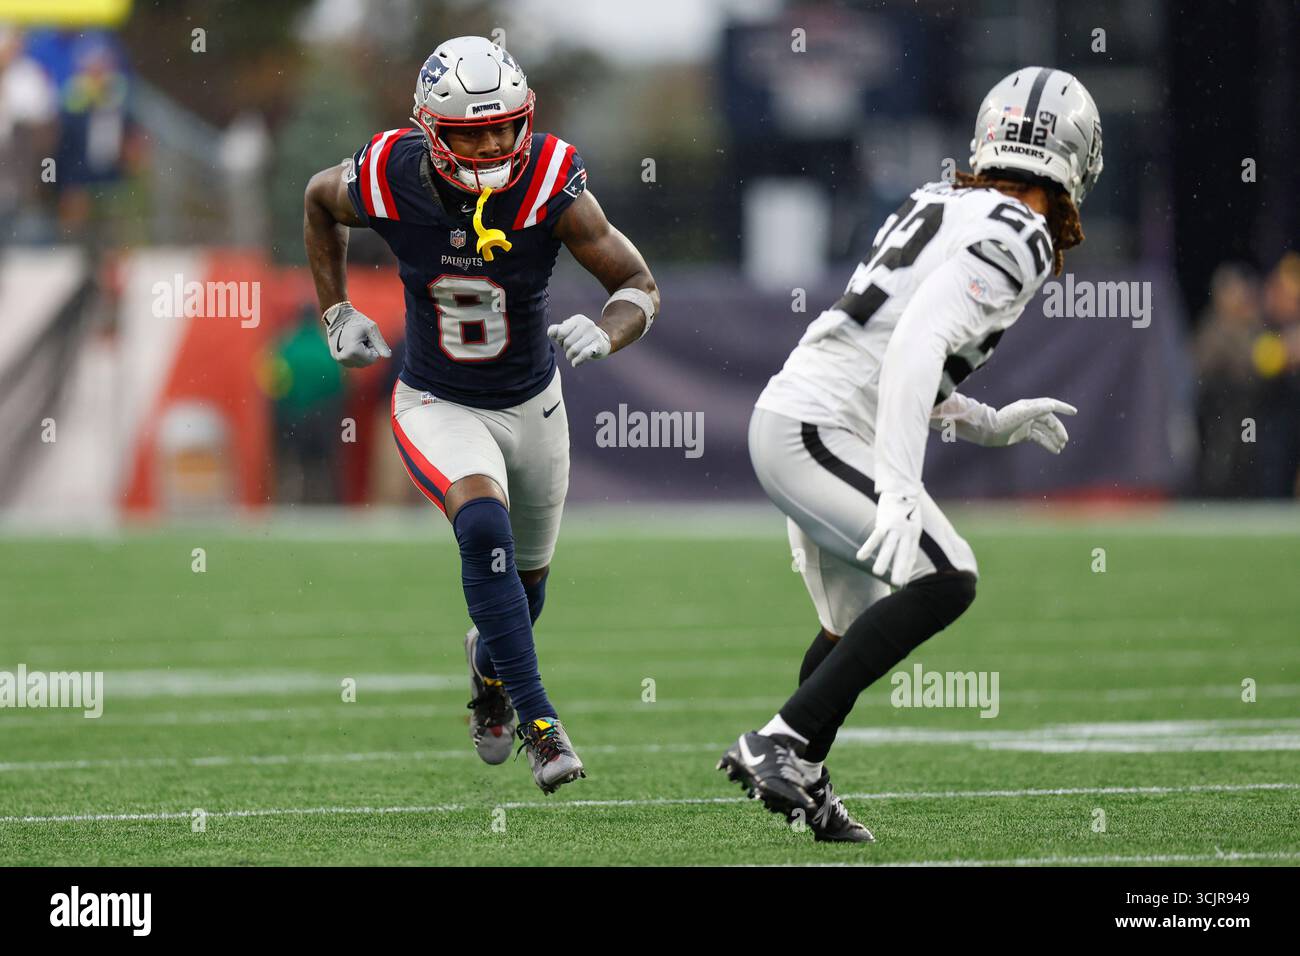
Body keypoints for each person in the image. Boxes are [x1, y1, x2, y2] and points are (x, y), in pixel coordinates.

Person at [719, 67, 1103, 841]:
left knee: (848, 624)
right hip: (820, 431)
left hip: (802, 417)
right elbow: (919, 344)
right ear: (1077, 159)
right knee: (949, 577)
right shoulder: (1020, 235)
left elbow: (897, 351)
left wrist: (988, 423)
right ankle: (780, 741)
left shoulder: (943, 201)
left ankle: (806, 778)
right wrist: (898, 484)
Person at [303, 36, 659, 793]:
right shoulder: (391, 172)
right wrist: (334, 311)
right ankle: (540, 723)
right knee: (483, 527)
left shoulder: (551, 181)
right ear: (432, 130)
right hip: (439, 399)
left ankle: (488, 673)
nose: (495, 142)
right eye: (473, 131)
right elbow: (316, 199)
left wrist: (611, 325)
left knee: (525, 592)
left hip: (534, 404)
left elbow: (636, 283)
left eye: (505, 125)